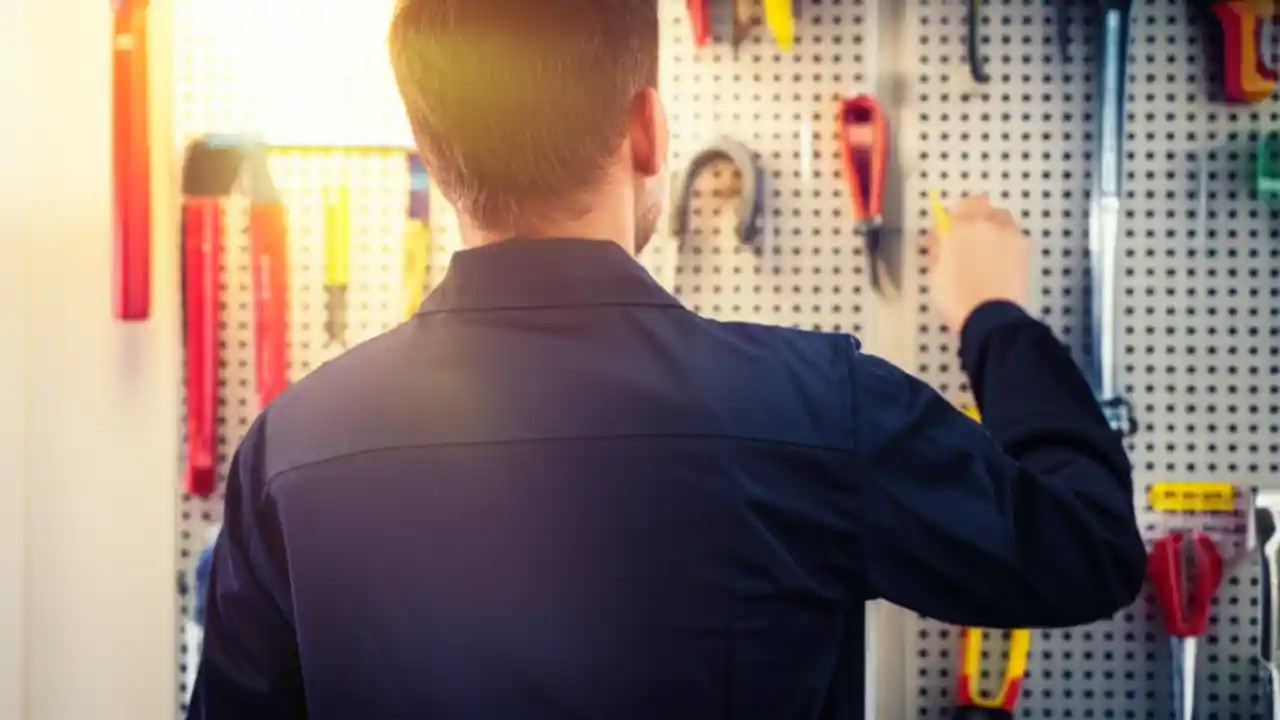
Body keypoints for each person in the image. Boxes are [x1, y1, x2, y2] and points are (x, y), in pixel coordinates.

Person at [186, 1, 1147, 718]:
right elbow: (1088, 550)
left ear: (431, 152)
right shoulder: (819, 412)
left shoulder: (292, 450)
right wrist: (993, 314)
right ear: (648, 128)